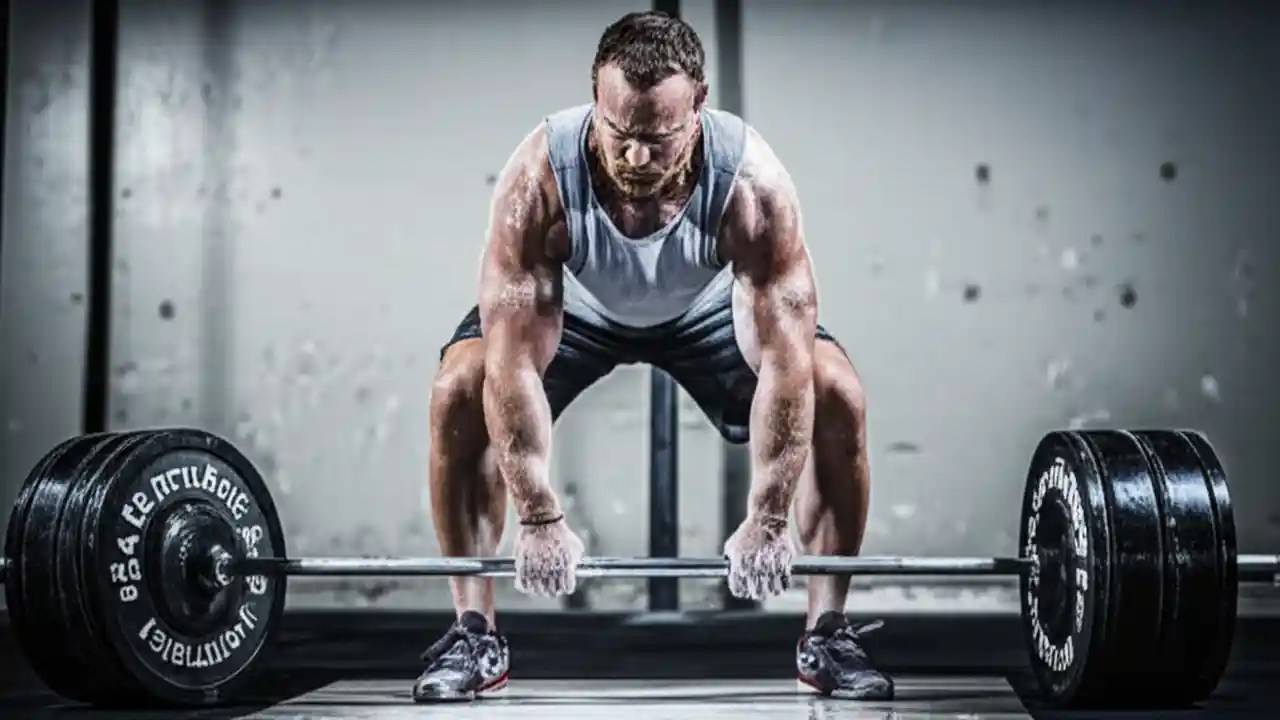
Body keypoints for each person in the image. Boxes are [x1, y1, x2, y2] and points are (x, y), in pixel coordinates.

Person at [416, 10, 890, 703]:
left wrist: (767, 516)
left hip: (705, 311)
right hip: (575, 308)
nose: (636, 159)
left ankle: (828, 634)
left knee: (837, 391)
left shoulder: (752, 186)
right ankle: (473, 633)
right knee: (460, 386)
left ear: (698, 105)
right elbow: (511, 362)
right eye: (620, 134)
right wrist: (539, 514)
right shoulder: (538, 182)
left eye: (659, 139)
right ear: (595, 99)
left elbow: (788, 364)